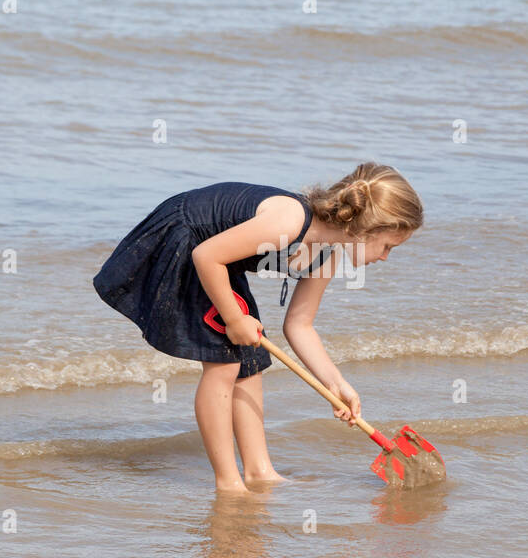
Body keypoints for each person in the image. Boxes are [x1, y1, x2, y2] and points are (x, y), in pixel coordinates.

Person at [93, 163, 423, 492]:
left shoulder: (328, 253)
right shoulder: (289, 220)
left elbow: (300, 325)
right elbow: (206, 255)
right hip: (186, 241)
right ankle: (228, 482)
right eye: (388, 247)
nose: (385, 258)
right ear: (365, 228)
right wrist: (234, 320)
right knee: (225, 361)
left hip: (220, 259)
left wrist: (336, 385)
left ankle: (259, 471)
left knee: (250, 358)